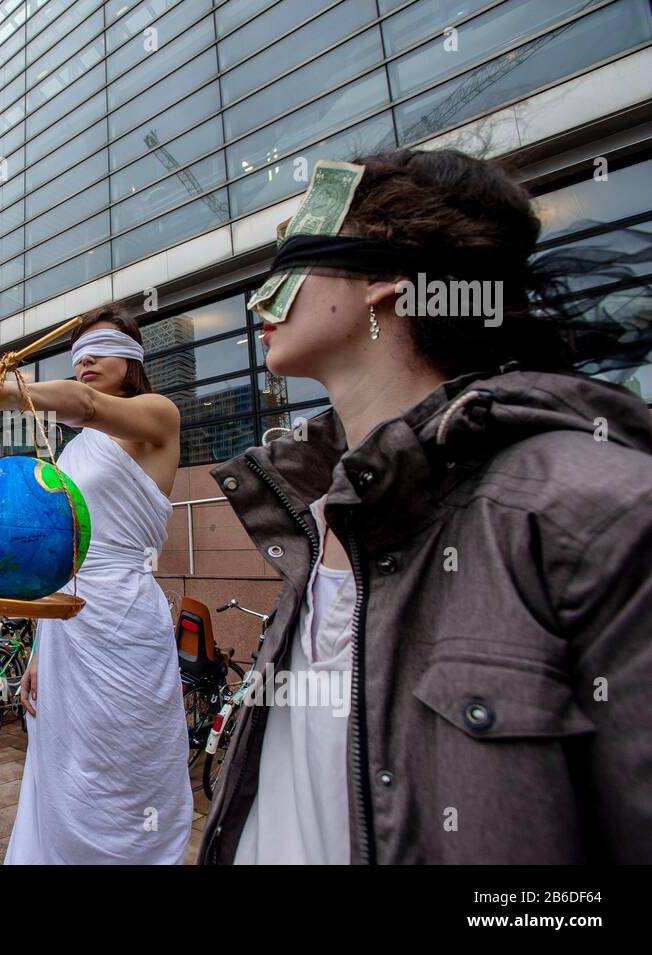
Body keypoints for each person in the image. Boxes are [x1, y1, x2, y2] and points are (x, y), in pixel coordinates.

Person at [199, 148, 652, 864]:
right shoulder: (312, 518)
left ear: (383, 280)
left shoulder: (599, 516)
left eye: (291, 265)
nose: (263, 299)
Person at [0, 303, 193, 864]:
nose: (88, 360)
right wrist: (36, 651)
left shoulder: (156, 417)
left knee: (125, 759)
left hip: (125, 615)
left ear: (134, 358)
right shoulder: (74, 451)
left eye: (102, 348)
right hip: (65, 616)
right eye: (79, 352)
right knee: (61, 761)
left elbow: (88, 405)